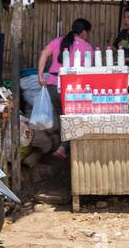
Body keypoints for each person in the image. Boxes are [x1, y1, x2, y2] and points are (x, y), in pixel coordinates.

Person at [37, 18, 92, 159]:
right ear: (84, 32)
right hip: (71, 89)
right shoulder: (87, 47)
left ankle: (61, 145)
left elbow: (44, 53)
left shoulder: (58, 40)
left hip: (52, 86)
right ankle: (63, 148)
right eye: (88, 32)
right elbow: (89, 71)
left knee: (62, 116)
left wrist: (40, 76)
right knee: (70, 118)